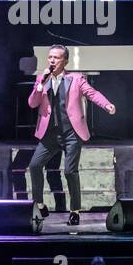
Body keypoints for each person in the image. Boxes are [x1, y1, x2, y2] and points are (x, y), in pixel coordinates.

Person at [27, 44, 115, 227]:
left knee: (69, 171)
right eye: (50, 57)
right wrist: (40, 85)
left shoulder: (75, 79)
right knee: (35, 165)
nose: (52, 60)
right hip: (50, 132)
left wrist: (106, 105)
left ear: (65, 61)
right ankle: (40, 204)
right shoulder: (42, 78)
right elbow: (32, 103)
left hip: (71, 132)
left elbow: (92, 93)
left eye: (56, 58)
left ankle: (75, 211)